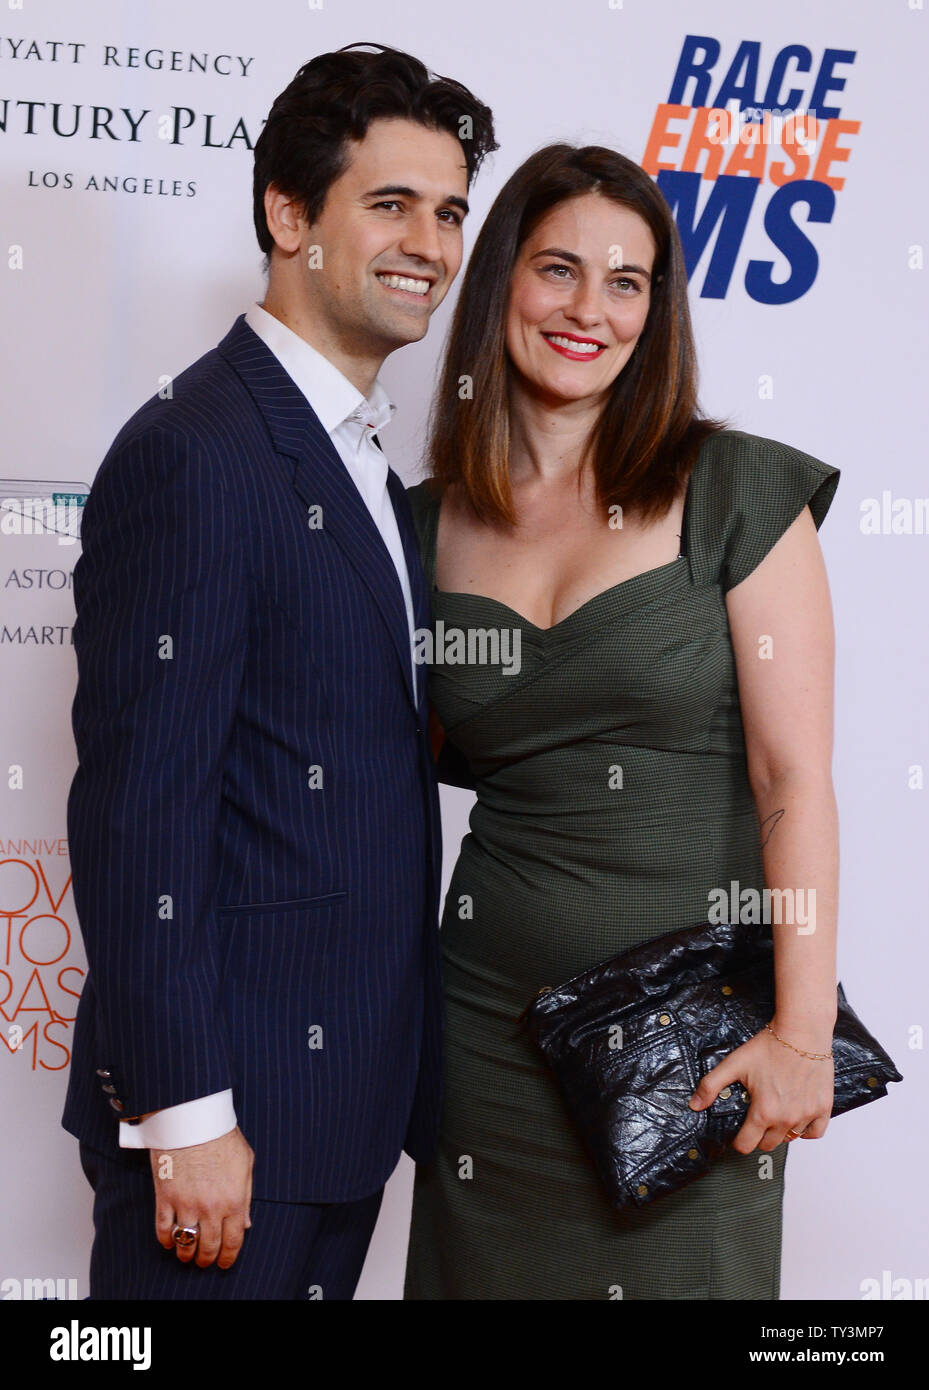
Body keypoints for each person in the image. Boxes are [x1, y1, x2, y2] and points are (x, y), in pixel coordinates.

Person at [62, 42, 496, 1300]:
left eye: (451, 209)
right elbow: (140, 810)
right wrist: (186, 1114)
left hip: (335, 1116)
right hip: (227, 1127)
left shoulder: (352, 453)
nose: (430, 240)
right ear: (288, 214)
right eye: (391, 203)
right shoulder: (197, 452)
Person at [404, 143, 841, 1300]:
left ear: (657, 309)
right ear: (499, 280)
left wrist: (801, 1031)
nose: (587, 309)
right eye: (557, 269)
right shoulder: (413, 525)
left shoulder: (737, 490)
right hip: (483, 1038)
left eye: (626, 280)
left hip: (690, 1048)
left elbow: (791, 776)